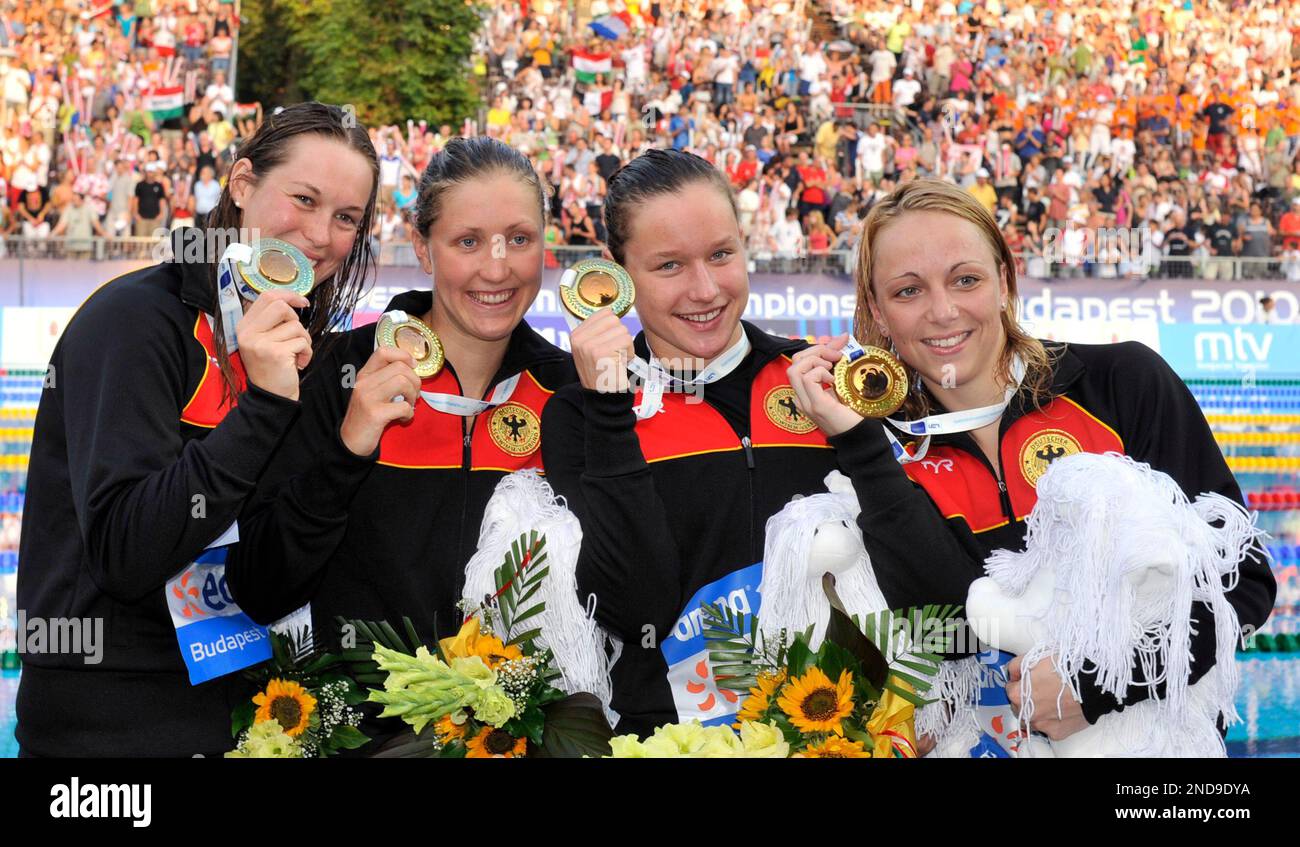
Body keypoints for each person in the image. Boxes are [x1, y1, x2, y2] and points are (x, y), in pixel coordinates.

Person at [788, 178, 1276, 743]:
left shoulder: (1120, 386)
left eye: (965, 279)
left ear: (1004, 280)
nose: (942, 312)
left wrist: (1097, 686)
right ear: (877, 309)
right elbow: (942, 627)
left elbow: (1243, 585)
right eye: (907, 291)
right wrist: (862, 447)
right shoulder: (877, 454)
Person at [540, 150, 968, 736]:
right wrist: (611, 411)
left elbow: (934, 597)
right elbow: (636, 611)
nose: (705, 288)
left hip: (839, 737)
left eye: (722, 254)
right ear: (616, 276)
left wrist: (860, 440)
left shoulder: (827, 380)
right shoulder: (580, 413)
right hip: (672, 743)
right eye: (668, 266)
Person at [16, 102, 380, 757]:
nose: (322, 235)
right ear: (241, 184)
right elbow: (126, 553)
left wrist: (346, 455)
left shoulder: (306, 350)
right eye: (304, 198)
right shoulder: (133, 321)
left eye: (347, 217)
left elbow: (267, 581)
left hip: (241, 714)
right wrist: (264, 410)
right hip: (104, 731)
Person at [224, 138, 576, 699]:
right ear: (422, 246)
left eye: (519, 238)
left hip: (522, 737)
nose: (497, 266)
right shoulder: (336, 370)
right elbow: (258, 587)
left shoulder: (571, 392)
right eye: (467, 241)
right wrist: (346, 452)